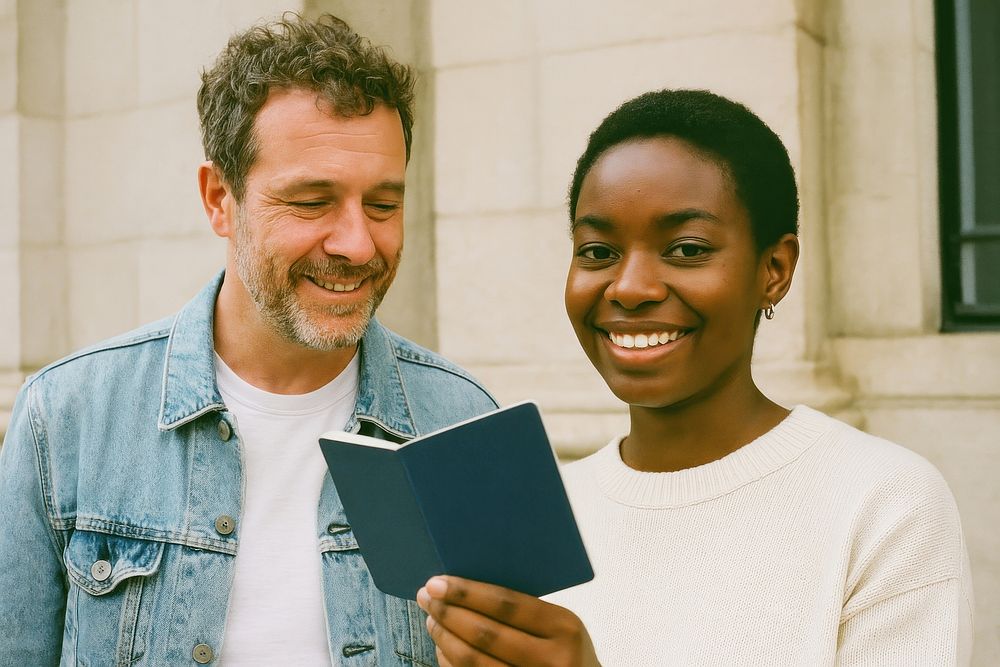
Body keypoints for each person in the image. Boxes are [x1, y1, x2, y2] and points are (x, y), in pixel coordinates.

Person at [0, 14, 496, 666]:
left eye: (382, 204)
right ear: (218, 199)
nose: (358, 242)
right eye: (312, 201)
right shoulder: (65, 418)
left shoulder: (463, 425)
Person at [417, 90, 974, 665]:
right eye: (598, 250)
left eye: (686, 249)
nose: (630, 287)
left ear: (774, 270)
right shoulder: (543, 517)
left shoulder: (883, 503)